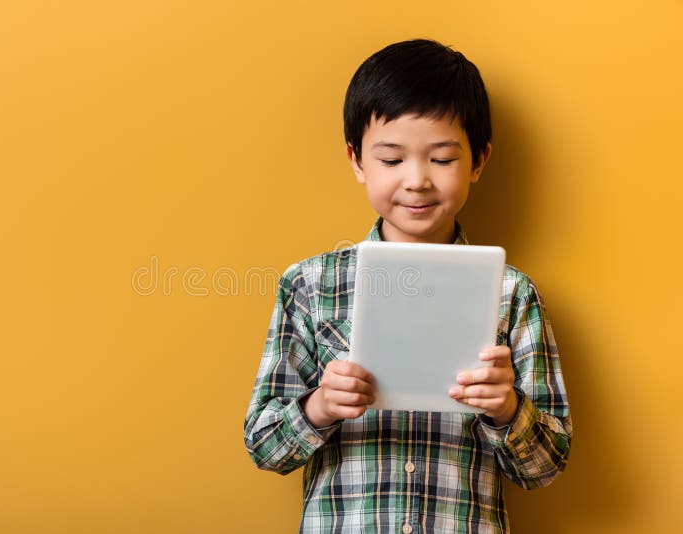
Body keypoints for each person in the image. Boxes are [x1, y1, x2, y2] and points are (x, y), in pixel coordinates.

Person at [243, 38, 572, 533]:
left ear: (479, 161)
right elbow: (264, 445)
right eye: (392, 160)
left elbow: (545, 467)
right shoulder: (310, 285)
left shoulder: (513, 295)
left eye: (441, 159)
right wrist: (320, 406)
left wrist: (507, 410)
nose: (417, 180)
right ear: (357, 160)